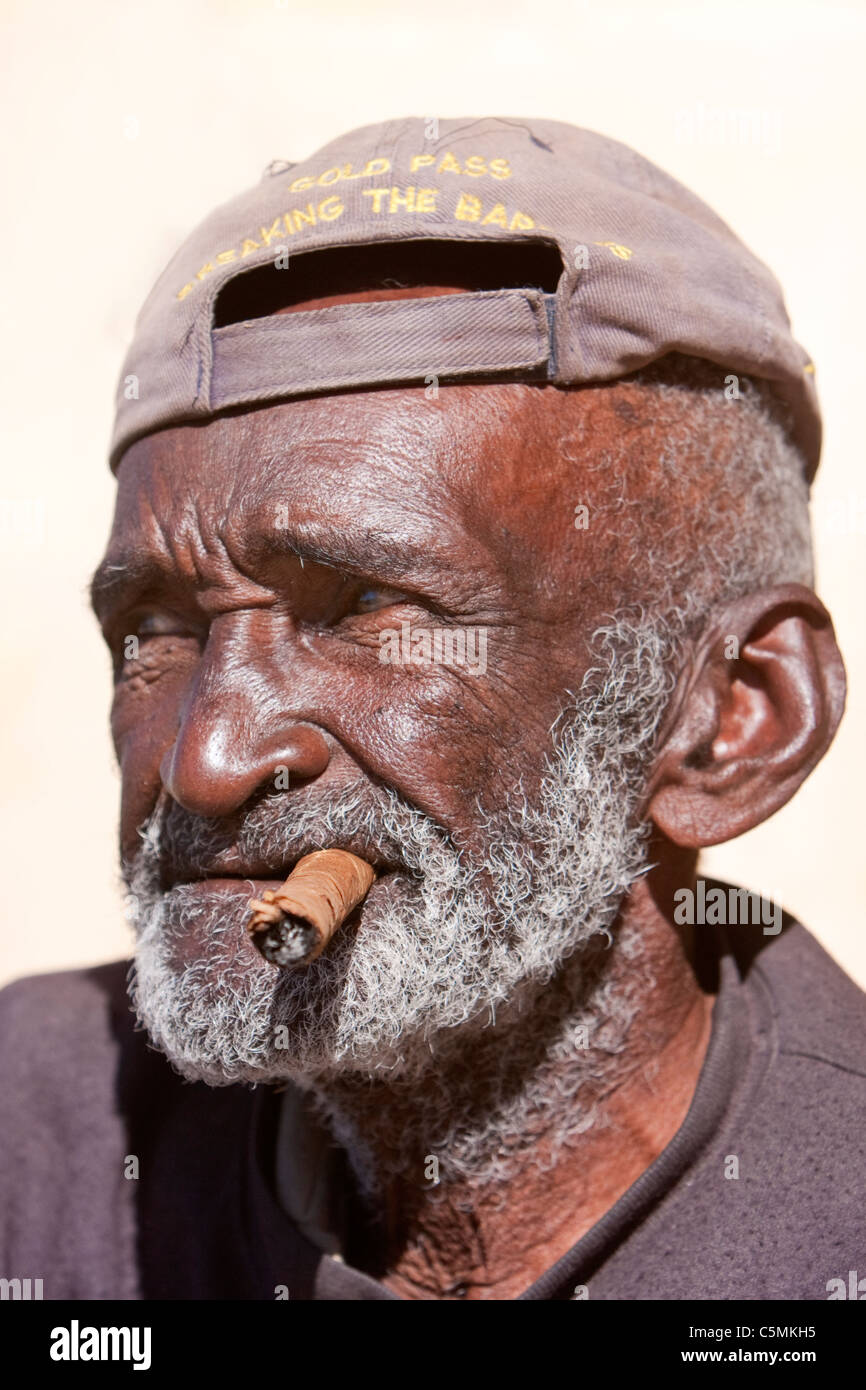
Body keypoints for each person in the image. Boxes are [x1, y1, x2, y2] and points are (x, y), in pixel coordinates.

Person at [1, 117, 862, 1302]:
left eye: (365, 607)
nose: (206, 759)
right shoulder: (34, 1138)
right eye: (159, 630)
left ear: (730, 719)